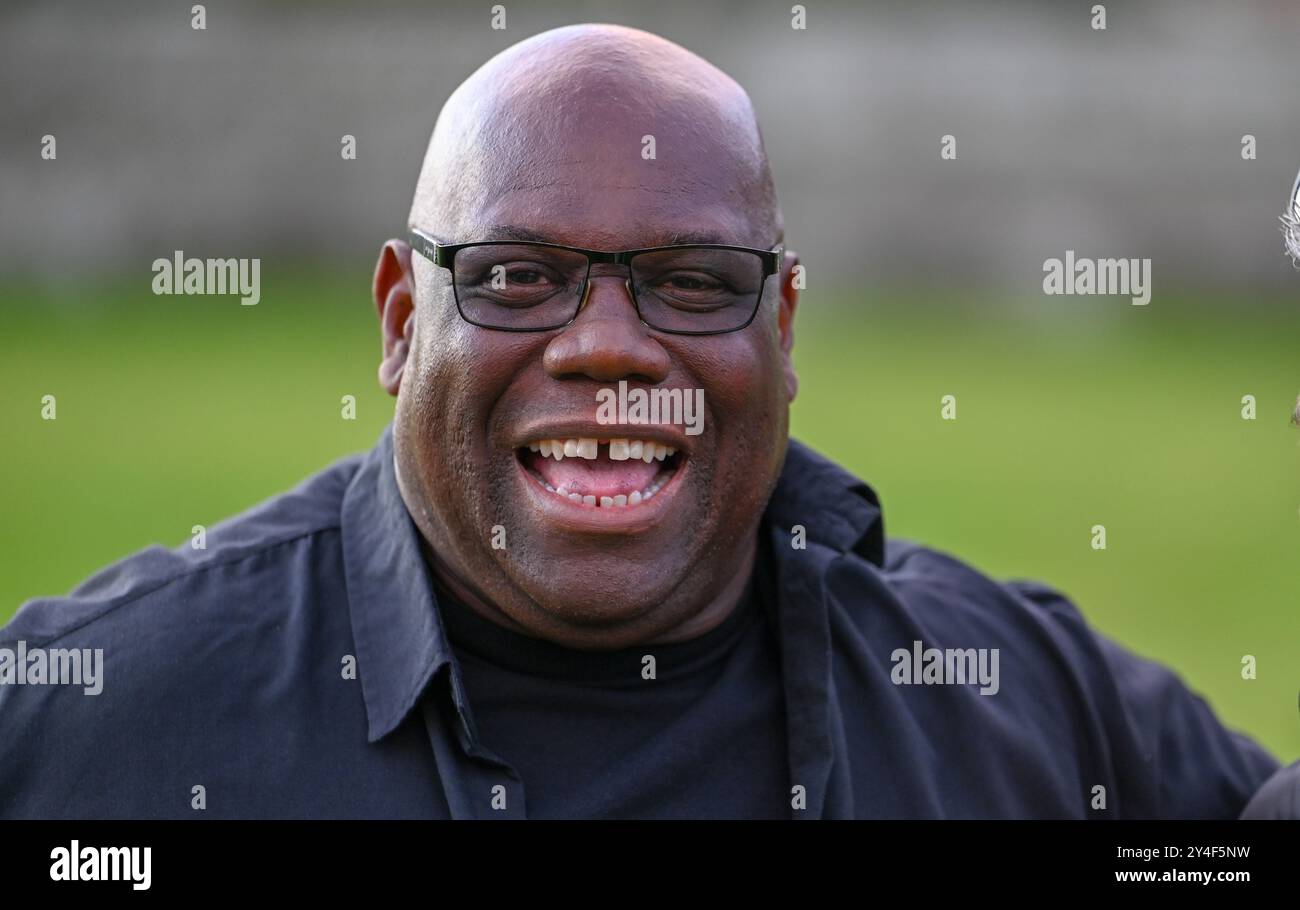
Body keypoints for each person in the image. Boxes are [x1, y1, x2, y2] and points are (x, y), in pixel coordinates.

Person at [0, 24, 1279, 819]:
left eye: (689, 282)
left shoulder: (1020, 708)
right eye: (514, 274)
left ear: (778, 330)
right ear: (399, 322)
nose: (606, 343)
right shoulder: (87, 723)